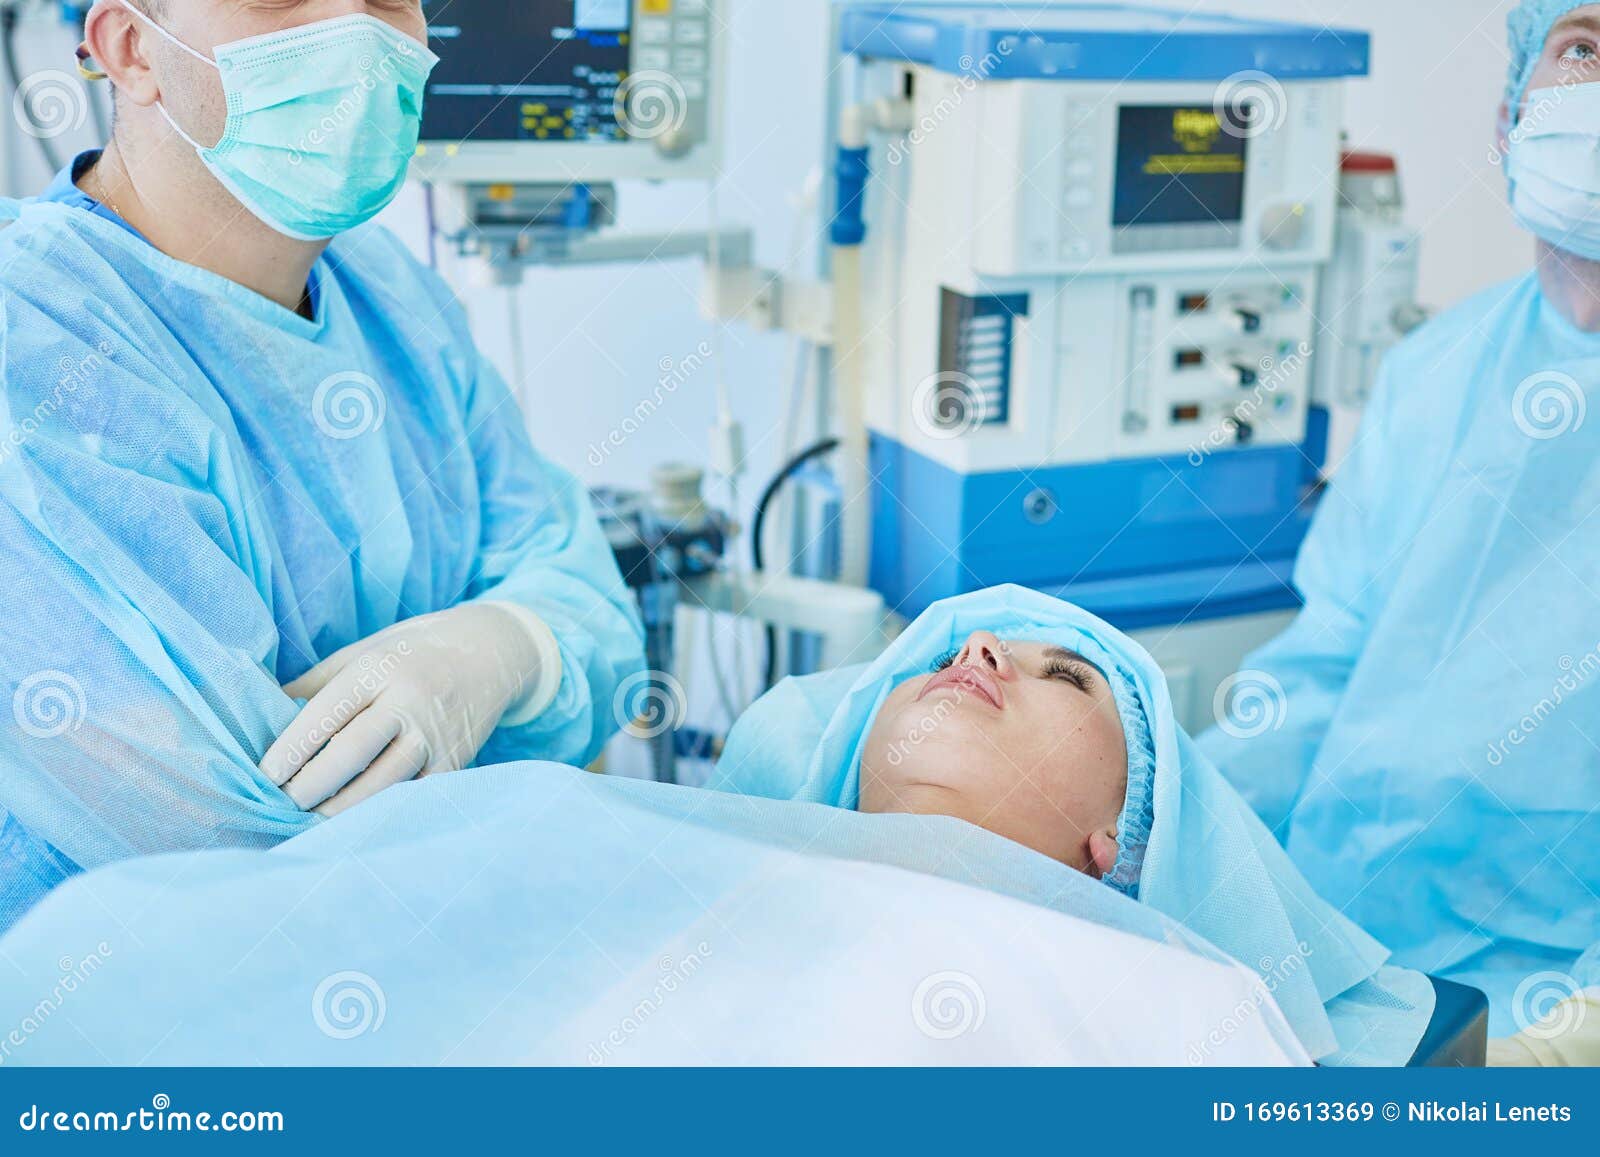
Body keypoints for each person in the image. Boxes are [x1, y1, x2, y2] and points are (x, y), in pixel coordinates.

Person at [0, 0, 644, 931]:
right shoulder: (36, 346)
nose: (354, 30)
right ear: (132, 50)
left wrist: (503, 647)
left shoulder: (392, 295)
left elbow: (585, 601)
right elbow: (228, 837)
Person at [1196, 0, 1600, 1035]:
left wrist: (1568, 1039)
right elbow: (1320, 667)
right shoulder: (1436, 369)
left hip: (1555, 997)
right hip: (1343, 947)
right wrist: (1169, 821)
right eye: (1584, 47)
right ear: (1511, 115)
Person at [711, 585, 1436, 1065]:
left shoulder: (1183, 1040)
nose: (977, 644)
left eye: (1063, 675)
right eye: (942, 657)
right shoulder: (715, 913)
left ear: (1122, 844)